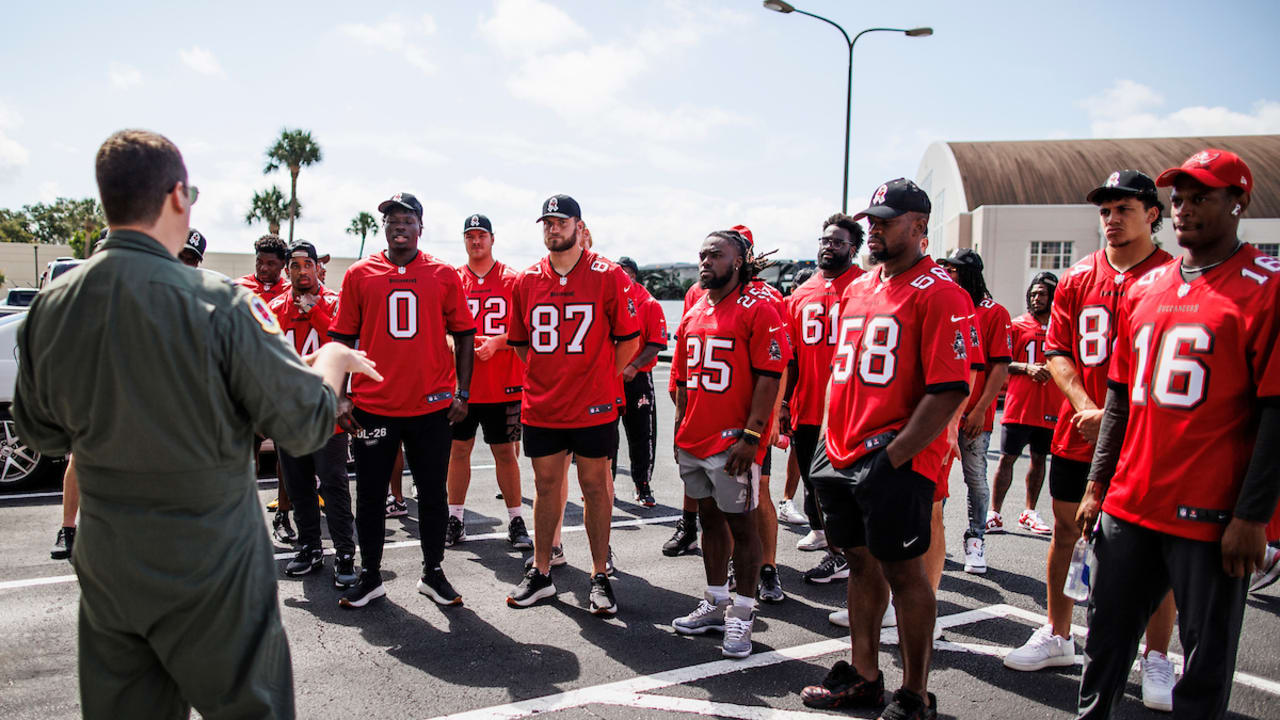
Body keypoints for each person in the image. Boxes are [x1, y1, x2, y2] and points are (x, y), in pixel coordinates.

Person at [13, 128, 379, 719]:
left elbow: (42, 435)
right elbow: (304, 424)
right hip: (215, 566)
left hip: (109, 568)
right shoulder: (222, 304)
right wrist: (332, 360)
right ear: (178, 197)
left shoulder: (53, 306)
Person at [1075, 149, 1278, 719]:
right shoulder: (1145, 286)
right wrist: (1098, 484)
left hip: (1209, 513)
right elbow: (1118, 395)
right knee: (1104, 645)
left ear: (1238, 202)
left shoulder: (1267, 286)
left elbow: (1276, 412)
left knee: (1204, 665)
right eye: (1179, 199)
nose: (1185, 210)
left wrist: (1252, 516)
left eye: (1202, 197)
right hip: (1131, 502)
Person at [1004, 170, 1177, 713]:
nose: (1112, 218)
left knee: (1155, 546)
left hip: (1148, 435)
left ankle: (1155, 655)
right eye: (1105, 210)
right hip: (1080, 430)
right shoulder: (1078, 277)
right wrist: (1087, 408)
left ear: (1153, 213)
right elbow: (1057, 351)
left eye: (1124, 208)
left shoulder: (1176, 277)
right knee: (1063, 528)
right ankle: (1058, 633)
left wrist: (1118, 419)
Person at [800, 179, 969, 720]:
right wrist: (829, 438)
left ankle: (916, 694)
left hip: (894, 457)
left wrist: (893, 458)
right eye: (870, 220)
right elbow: (840, 373)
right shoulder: (859, 286)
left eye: (886, 221)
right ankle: (865, 676)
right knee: (858, 564)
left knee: (904, 573)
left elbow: (948, 390)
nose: (874, 229)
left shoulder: (942, 291)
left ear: (919, 225)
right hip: (842, 451)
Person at [329, 192, 476, 609]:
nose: (398, 225)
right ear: (385, 227)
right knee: (371, 496)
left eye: (406, 218)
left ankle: (433, 572)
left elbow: (464, 333)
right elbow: (341, 338)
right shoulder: (360, 274)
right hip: (374, 405)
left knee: (432, 494)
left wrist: (463, 392)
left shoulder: (443, 274)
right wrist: (340, 396)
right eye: (391, 218)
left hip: (430, 406)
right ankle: (371, 575)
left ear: (420, 227)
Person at [505, 194, 639, 614]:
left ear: (580, 227)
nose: (553, 228)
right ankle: (542, 571)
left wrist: (597, 378)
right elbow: (522, 345)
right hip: (543, 405)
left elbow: (630, 339)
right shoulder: (526, 280)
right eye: (547, 222)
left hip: (593, 405)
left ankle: (599, 575)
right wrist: (551, 377)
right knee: (546, 488)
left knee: (595, 488)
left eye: (561, 222)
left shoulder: (609, 275)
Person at [671, 229, 789, 658]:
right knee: (709, 521)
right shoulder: (696, 307)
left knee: (744, 525)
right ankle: (716, 600)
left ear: (738, 261)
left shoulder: (761, 306)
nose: (705, 261)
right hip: (695, 438)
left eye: (715, 255)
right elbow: (684, 378)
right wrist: (680, 427)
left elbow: (770, 374)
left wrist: (753, 436)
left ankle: (742, 613)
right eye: (702, 254)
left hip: (734, 440)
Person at [268, 240, 358, 589]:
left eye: (308, 264)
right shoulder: (275, 307)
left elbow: (341, 345)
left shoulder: (336, 303)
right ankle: (309, 546)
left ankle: (346, 553)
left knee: (334, 485)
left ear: (318, 267)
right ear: (287, 269)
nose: (302, 271)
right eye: (295, 265)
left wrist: (314, 311)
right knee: (298, 486)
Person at [781, 213, 864, 587]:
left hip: (851, 409)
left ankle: (844, 554)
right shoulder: (800, 294)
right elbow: (792, 355)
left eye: (838, 242)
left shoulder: (866, 287)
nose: (829, 247)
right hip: (808, 404)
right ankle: (827, 540)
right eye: (825, 240)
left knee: (847, 487)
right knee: (814, 482)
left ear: (853, 248)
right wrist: (784, 403)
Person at [447, 213, 532, 549]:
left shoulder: (513, 279)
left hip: (503, 382)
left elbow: (525, 328)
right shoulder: (453, 279)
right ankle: (455, 517)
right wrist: (457, 344)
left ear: (492, 239)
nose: (476, 241)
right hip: (462, 386)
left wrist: (497, 342)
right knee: (458, 450)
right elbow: (441, 327)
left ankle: (515, 518)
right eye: (470, 236)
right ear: (464, 240)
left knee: (505, 453)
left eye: (482, 235)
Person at [937, 249, 1012, 574]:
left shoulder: (994, 312)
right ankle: (933, 536)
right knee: (933, 479)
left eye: (954, 270)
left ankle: (976, 539)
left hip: (974, 416)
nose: (949, 275)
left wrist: (981, 410)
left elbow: (999, 367)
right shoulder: (947, 306)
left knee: (975, 480)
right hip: (940, 414)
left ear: (969, 273)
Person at [989, 274, 1061, 536]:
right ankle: (994, 512)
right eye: (1032, 294)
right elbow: (1000, 361)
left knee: (1039, 459)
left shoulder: (1061, 327)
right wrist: (1027, 367)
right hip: (1020, 404)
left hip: (1050, 405)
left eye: (1041, 294)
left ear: (1053, 296)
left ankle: (1029, 511)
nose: (1036, 298)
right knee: (1007, 458)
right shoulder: (1018, 324)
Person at [238, 233, 296, 542]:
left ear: (283, 266)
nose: (263, 268)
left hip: (280, 385)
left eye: (271, 263)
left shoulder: (293, 291)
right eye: (259, 262)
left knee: (285, 455)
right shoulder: (239, 288)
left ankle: (283, 514)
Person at [613, 256, 667, 507]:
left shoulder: (648, 303)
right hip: (610, 378)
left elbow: (657, 342)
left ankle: (642, 485)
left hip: (638, 378)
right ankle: (604, 484)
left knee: (641, 435)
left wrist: (634, 366)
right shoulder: (609, 298)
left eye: (623, 273)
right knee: (605, 435)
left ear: (632, 275)